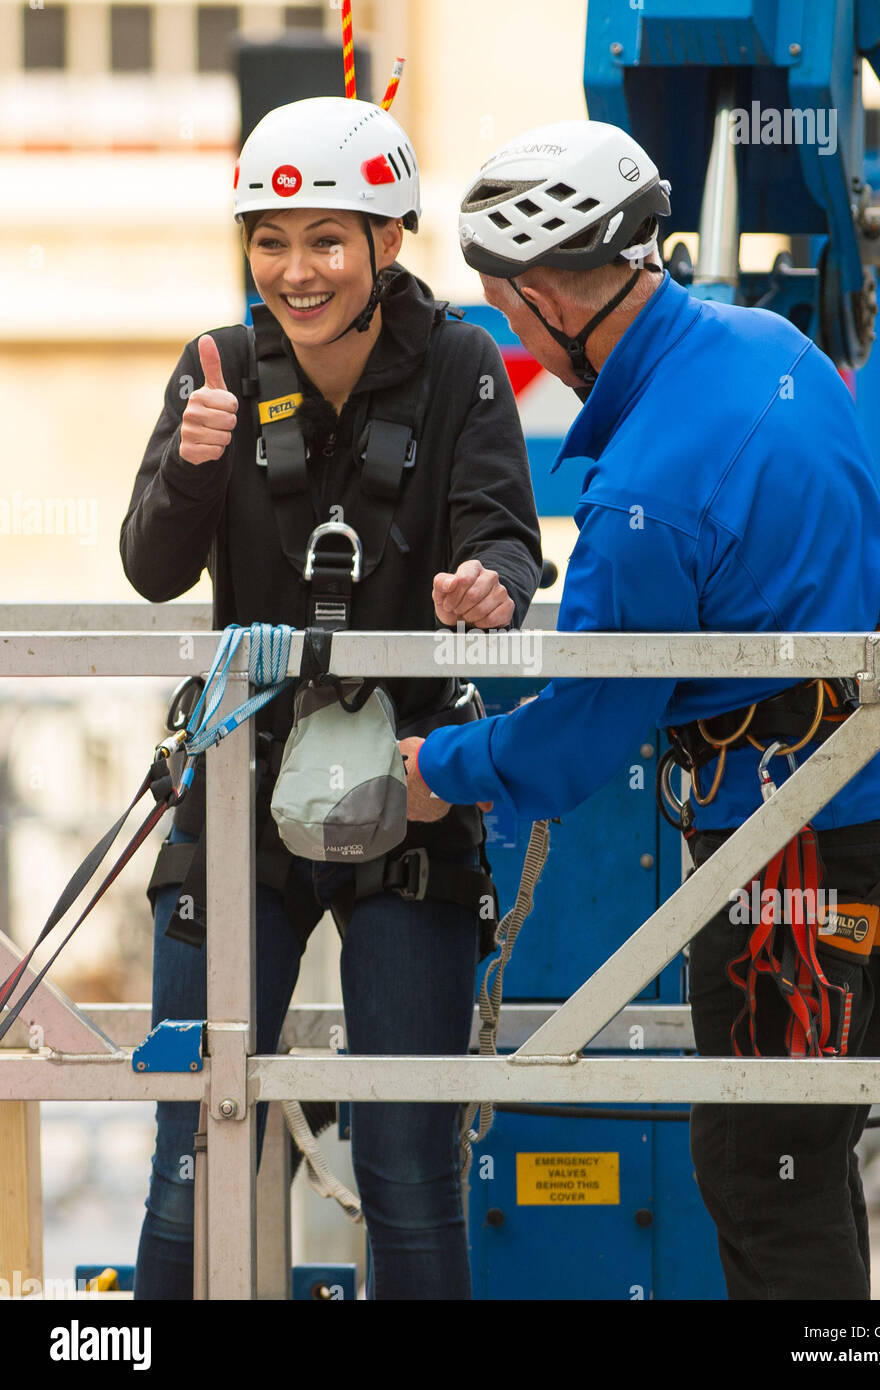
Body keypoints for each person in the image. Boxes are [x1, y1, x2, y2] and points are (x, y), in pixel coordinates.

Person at [400, 118, 880, 1301]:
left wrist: (431, 766)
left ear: (552, 294)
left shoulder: (644, 491)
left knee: (764, 1168)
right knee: (809, 1149)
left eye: (510, 308)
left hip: (789, 846)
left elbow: (572, 745)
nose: (517, 336)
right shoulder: (777, 348)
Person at [120, 95, 543, 1300]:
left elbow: (507, 539)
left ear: (389, 240)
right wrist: (189, 469)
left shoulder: (462, 366)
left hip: (406, 798)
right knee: (193, 1145)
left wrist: (486, 589)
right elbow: (151, 569)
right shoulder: (215, 368)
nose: (294, 271)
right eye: (270, 239)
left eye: (326, 239)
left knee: (405, 1157)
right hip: (239, 797)